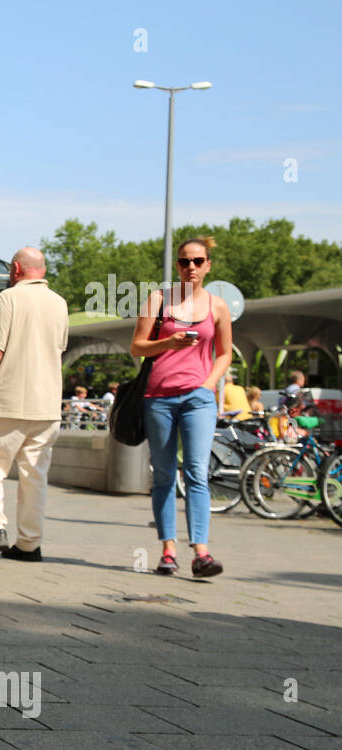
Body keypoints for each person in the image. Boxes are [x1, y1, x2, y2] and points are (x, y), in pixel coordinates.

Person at [131, 236, 233, 577]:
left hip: (198, 399)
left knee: (196, 473)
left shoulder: (218, 306)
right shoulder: (158, 299)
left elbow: (225, 353)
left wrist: (207, 385)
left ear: (208, 265)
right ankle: (168, 549)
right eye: (184, 261)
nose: (191, 267)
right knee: (162, 476)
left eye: (198, 261)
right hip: (158, 397)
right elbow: (137, 347)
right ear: (177, 265)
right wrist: (168, 342)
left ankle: (201, 552)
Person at [0, 248, 69, 562]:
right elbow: (59, 349)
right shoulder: (60, 303)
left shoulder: (9, 298)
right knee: (35, 475)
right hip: (48, 404)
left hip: (8, 401)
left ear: (16, 268)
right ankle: (29, 545)